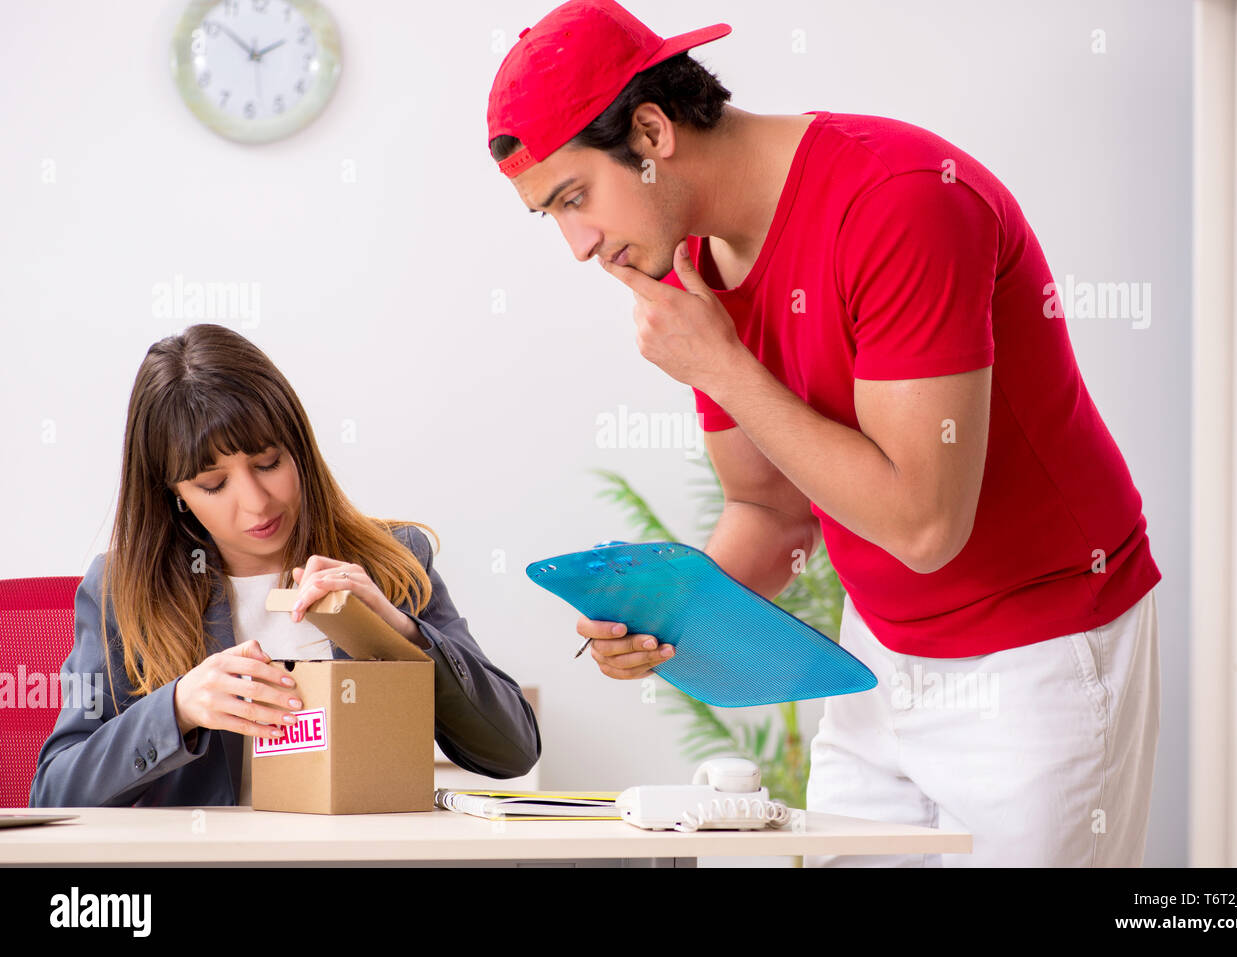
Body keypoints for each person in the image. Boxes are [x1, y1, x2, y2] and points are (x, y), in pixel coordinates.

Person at [485, 0, 1161, 866]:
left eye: (576, 197)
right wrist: (667, 619)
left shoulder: (898, 201)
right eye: (552, 215)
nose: (578, 245)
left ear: (651, 131)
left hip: (1037, 656)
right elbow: (770, 514)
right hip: (878, 658)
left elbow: (924, 525)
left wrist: (722, 366)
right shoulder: (695, 258)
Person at [29, 323, 540, 808]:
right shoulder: (124, 589)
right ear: (174, 494)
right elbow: (54, 790)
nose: (256, 502)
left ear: (299, 447)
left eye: (268, 463)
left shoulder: (389, 562)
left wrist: (398, 629)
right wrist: (179, 706)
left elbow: (513, 751)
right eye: (213, 484)